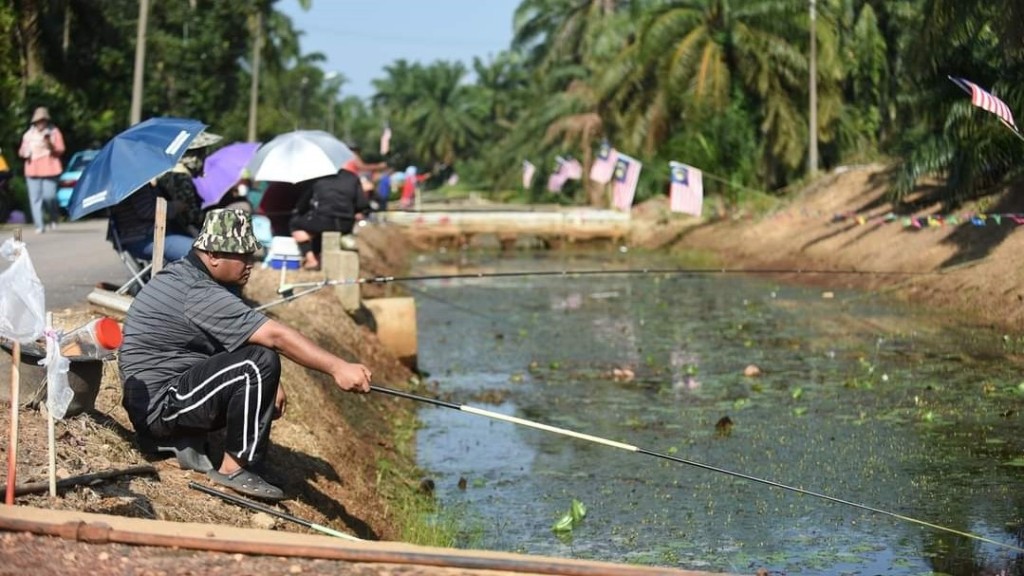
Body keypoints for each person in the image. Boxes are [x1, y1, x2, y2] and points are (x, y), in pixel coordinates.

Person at [118, 208, 373, 501]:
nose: (251, 264)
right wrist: (338, 367)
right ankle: (233, 470)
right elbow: (275, 336)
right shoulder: (198, 290)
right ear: (213, 255)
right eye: (243, 257)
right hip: (159, 406)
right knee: (258, 362)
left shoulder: (199, 278)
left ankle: (233, 459)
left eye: (252, 255)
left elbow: (235, 340)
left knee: (260, 361)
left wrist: (272, 383)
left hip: (173, 393)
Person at [108, 130, 220, 263]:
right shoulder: (134, 183)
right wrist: (176, 206)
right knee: (203, 253)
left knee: (203, 249)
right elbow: (148, 211)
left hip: (146, 236)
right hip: (145, 240)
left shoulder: (130, 179)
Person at [289, 168, 371, 270]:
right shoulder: (352, 177)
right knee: (318, 227)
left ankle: (311, 260)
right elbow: (362, 204)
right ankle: (318, 256)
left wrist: (299, 211)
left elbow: (303, 204)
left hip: (323, 221)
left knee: (295, 224)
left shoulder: (317, 176)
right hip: (346, 224)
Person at [18, 107, 65, 233]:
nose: (41, 123)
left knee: (49, 196)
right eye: (39, 121)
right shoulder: (28, 135)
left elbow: (60, 149)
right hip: (32, 169)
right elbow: (22, 151)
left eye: (43, 121)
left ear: (47, 121)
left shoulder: (54, 132)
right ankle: (39, 225)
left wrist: (49, 143)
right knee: (35, 199)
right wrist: (25, 153)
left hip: (50, 168)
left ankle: (53, 217)